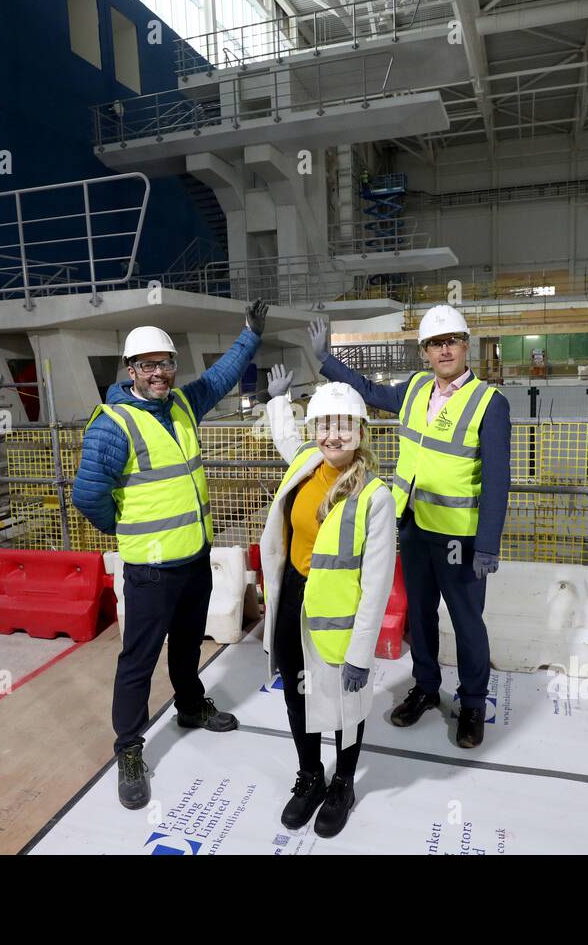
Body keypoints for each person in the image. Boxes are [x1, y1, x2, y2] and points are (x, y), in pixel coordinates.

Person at [72, 299, 270, 809]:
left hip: (193, 560)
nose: (160, 373)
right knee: (137, 660)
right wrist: (126, 530)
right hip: (150, 570)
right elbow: (88, 494)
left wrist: (249, 335)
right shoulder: (112, 424)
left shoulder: (182, 404)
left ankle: (189, 705)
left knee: (186, 646)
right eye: (149, 365)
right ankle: (130, 748)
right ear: (131, 371)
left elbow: (222, 377)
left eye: (166, 363)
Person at [310, 304, 511, 748]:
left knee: (466, 622)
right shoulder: (417, 388)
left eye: (451, 341)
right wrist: (326, 361)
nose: (444, 350)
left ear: (465, 345)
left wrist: (487, 544)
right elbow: (366, 390)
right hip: (415, 526)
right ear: (424, 352)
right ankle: (424, 686)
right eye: (435, 344)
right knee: (419, 616)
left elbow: (498, 479)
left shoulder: (489, 403)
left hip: (458, 536)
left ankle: (473, 702)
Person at [257, 368, 395, 836]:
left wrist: (360, 652)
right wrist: (278, 401)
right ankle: (311, 775)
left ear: (360, 433)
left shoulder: (375, 497)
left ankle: (343, 783)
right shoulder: (304, 465)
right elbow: (285, 437)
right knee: (298, 693)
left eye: (343, 425)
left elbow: (377, 584)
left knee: (344, 706)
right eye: (323, 425)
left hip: (339, 616)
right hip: (294, 598)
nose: (332, 435)